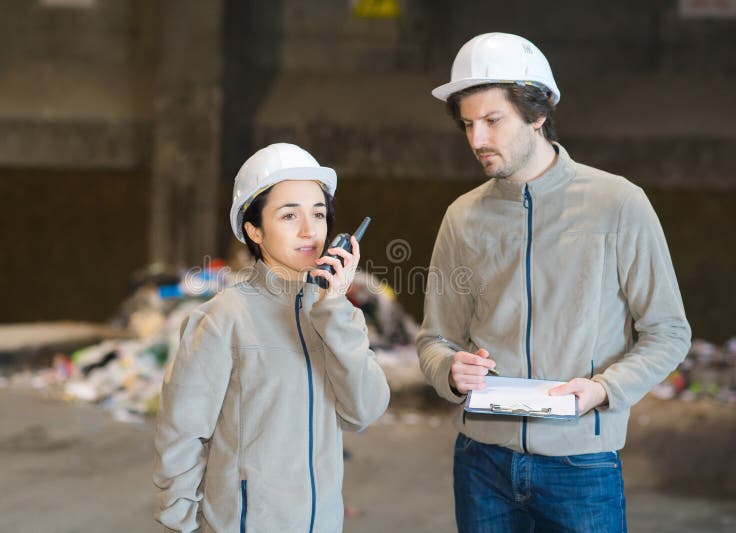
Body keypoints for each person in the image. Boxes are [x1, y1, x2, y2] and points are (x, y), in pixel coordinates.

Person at [416, 32, 691, 532]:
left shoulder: (619, 204)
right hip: (482, 463)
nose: (478, 139)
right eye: (468, 124)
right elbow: (435, 337)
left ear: (537, 114)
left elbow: (668, 331)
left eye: (493, 121)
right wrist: (449, 371)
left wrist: (603, 390)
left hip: (581, 465)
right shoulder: (462, 217)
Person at [153, 143, 390, 532]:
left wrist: (335, 309)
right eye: (288, 215)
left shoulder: (334, 315)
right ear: (254, 229)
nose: (308, 230)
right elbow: (181, 435)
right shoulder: (223, 318)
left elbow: (364, 410)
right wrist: (181, 524)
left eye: (318, 213)